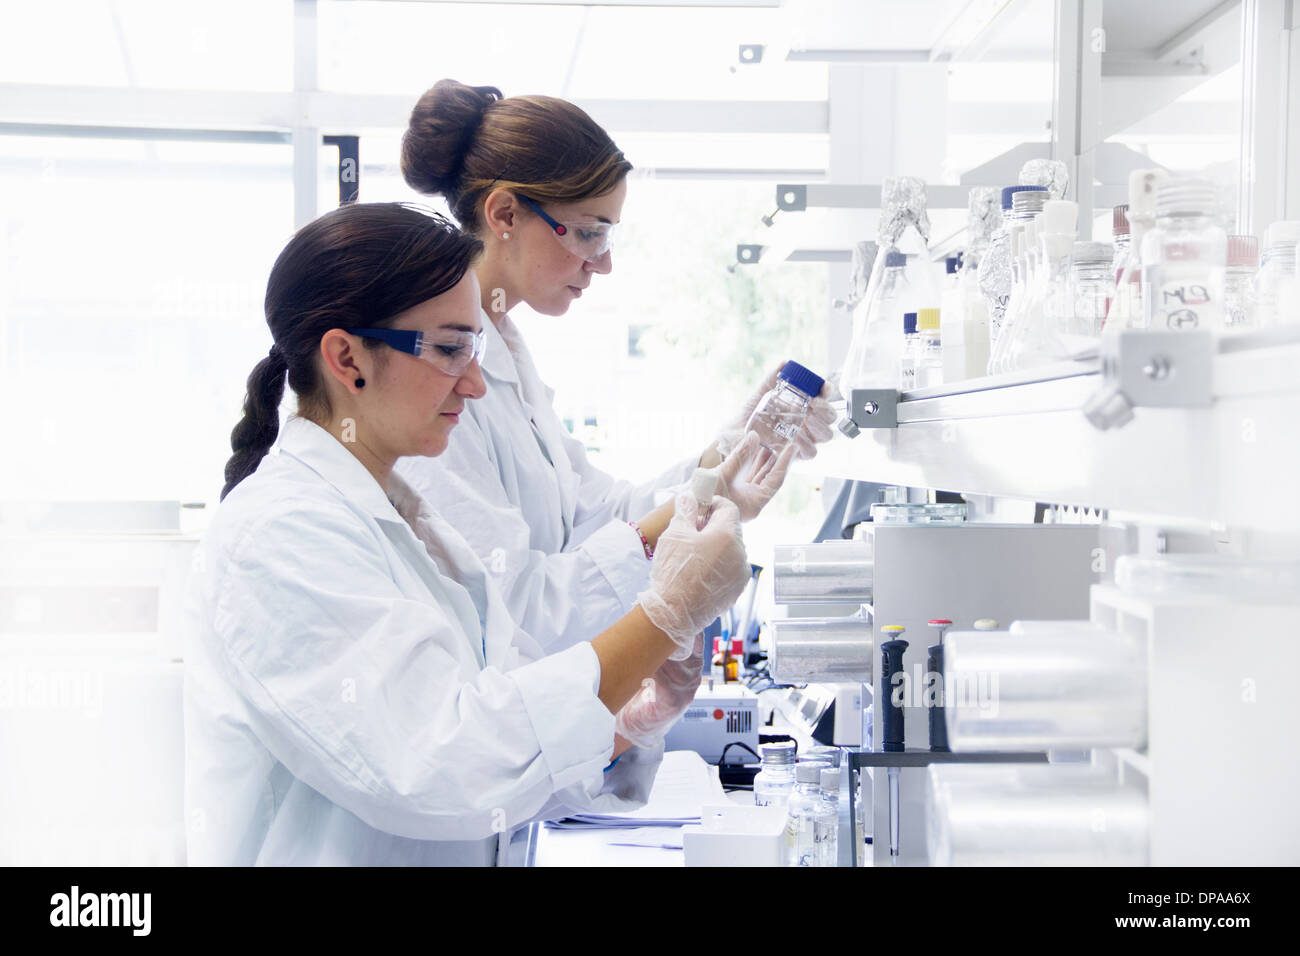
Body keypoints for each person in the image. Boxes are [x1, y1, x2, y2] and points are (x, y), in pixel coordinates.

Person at [184, 203, 750, 865]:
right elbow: (447, 766)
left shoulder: (414, 526)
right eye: (452, 349)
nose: (476, 384)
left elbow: (506, 735)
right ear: (347, 358)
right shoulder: (279, 537)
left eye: (475, 348)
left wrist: (630, 723)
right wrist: (664, 617)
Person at [395, 79, 837, 664]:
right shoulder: (434, 377)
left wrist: (725, 460)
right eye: (589, 231)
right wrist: (669, 591)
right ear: (504, 213)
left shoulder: (505, 354)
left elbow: (596, 516)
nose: (604, 263)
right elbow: (517, 612)